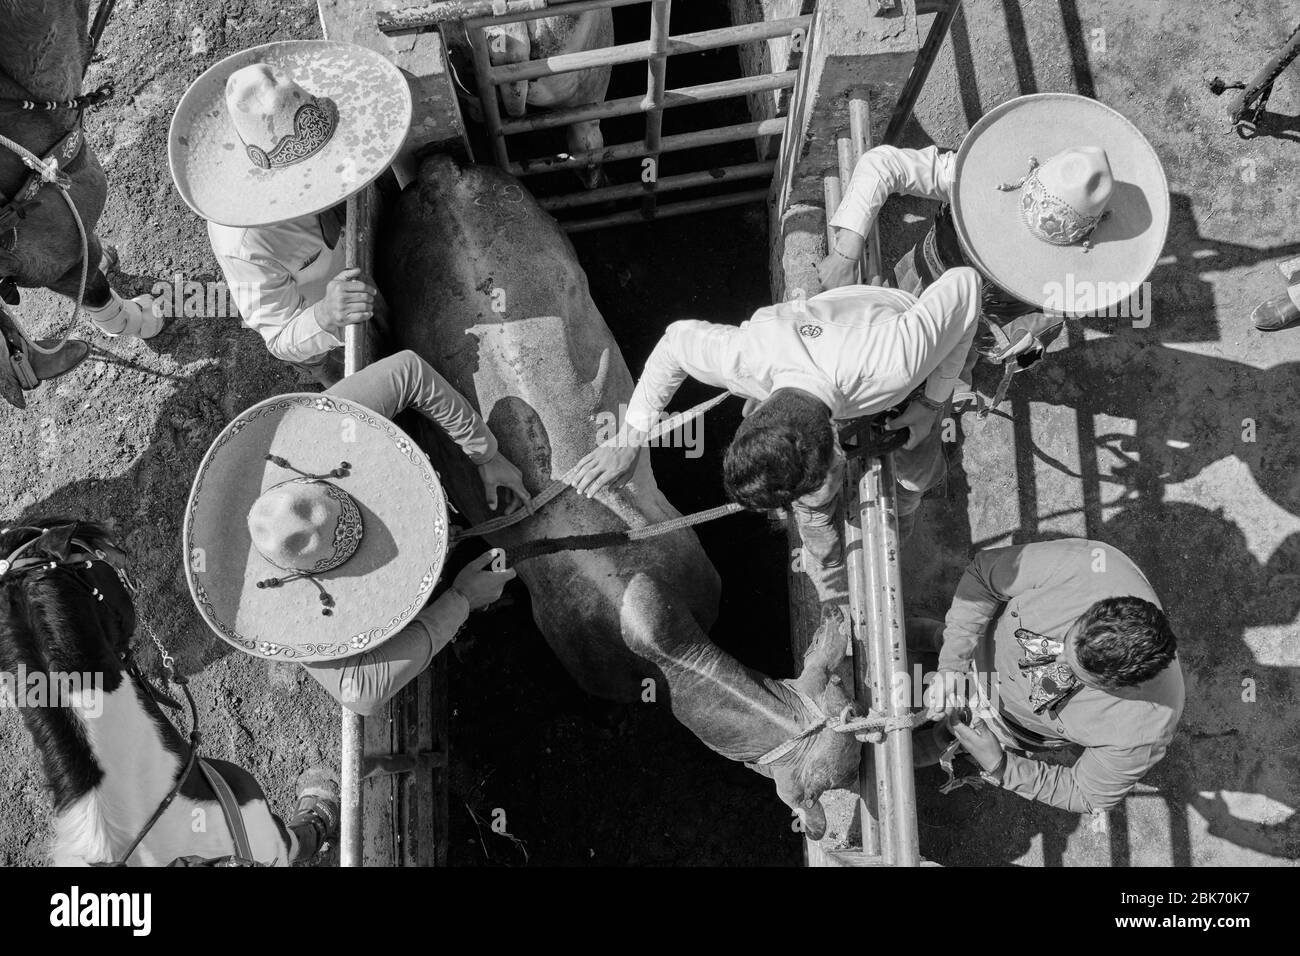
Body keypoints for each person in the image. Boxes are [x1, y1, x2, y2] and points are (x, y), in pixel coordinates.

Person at [185, 349, 531, 716]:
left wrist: (486, 453)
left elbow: (408, 370)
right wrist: (461, 599)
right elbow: (361, 692)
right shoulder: (307, 631)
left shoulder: (319, 434)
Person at [819, 93, 1169, 381]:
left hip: (977, 317)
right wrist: (847, 253)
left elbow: (1064, 309)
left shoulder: (1085, 278)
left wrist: (1031, 334)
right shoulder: (971, 178)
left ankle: (944, 378)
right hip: (924, 279)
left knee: (946, 355)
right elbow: (882, 165)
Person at [168, 40, 413, 385]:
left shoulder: (333, 130)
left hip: (363, 278)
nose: (326, 181)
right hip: (325, 328)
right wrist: (325, 315)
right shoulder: (244, 244)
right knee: (342, 376)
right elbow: (280, 337)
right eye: (314, 174)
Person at [920, 539, 1184, 813]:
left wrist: (1000, 765)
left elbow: (1086, 795)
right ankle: (932, 639)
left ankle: (943, 739)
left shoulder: (1145, 730)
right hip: (978, 647)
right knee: (924, 637)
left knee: (931, 745)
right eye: (1067, 642)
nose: (1054, 660)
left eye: (1077, 672)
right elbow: (983, 575)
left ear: (1122, 687)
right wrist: (952, 662)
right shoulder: (1089, 565)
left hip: (1007, 725)